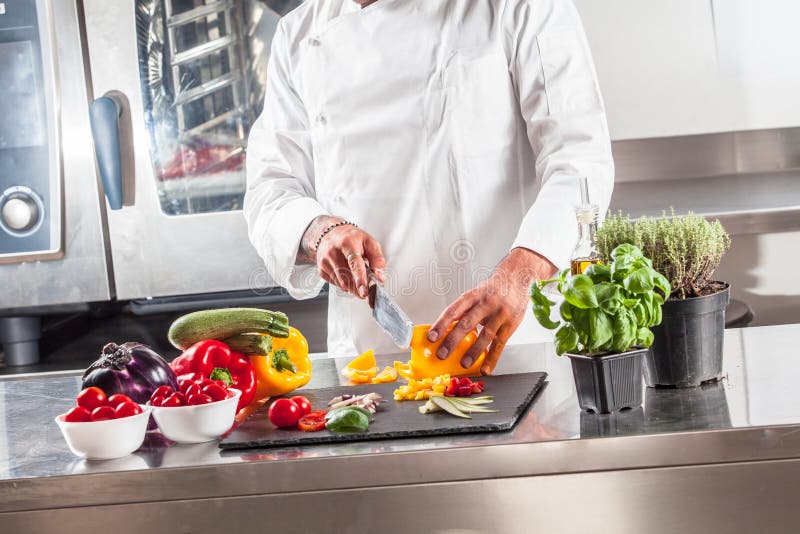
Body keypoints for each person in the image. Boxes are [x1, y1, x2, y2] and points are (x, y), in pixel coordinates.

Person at [244, 0, 613, 374]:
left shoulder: (518, 6)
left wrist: (523, 272)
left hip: (509, 348)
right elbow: (270, 189)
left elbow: (579, 159)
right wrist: (319, 233)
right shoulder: (298, 34)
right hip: (373, 361)